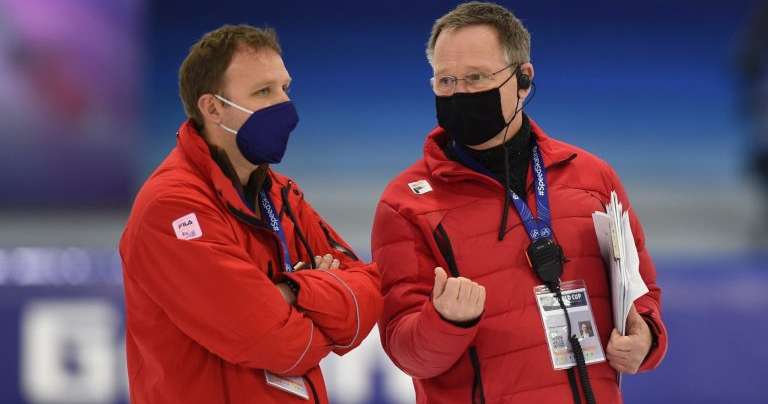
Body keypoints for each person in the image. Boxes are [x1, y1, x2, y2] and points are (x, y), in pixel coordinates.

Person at [371, 2, 668, 403]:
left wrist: (645, 336)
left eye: (476, 78)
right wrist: (445, 322)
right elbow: (406, 352)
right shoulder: (406, 205)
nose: (460, 94)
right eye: (446, 81)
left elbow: (641, 292)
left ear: (523, 80)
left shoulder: (592, 178)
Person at [119, 24, 382, 403]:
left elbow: (366, 297)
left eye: (285, 89)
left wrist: (292, 290)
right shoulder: (172, 207)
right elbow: (279, 345)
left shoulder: (282, 193)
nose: (284, 106)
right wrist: (318, 296)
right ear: (213, 108)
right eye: (263, 92)